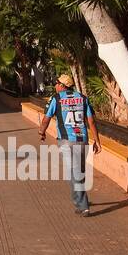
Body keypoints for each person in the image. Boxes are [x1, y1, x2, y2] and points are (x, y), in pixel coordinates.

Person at [38, 72, 101, 216]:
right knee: (78, 172)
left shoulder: (56, 99)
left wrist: (42, 132)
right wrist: (97, 140)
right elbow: (91, 121)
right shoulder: (82, 98)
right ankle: (79, 201)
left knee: (74, 173)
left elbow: (46, 119)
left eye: (56, 83)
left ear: (61, 86)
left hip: (66, 141)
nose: (55, 85)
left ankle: (83, 205)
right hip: (82, 140)